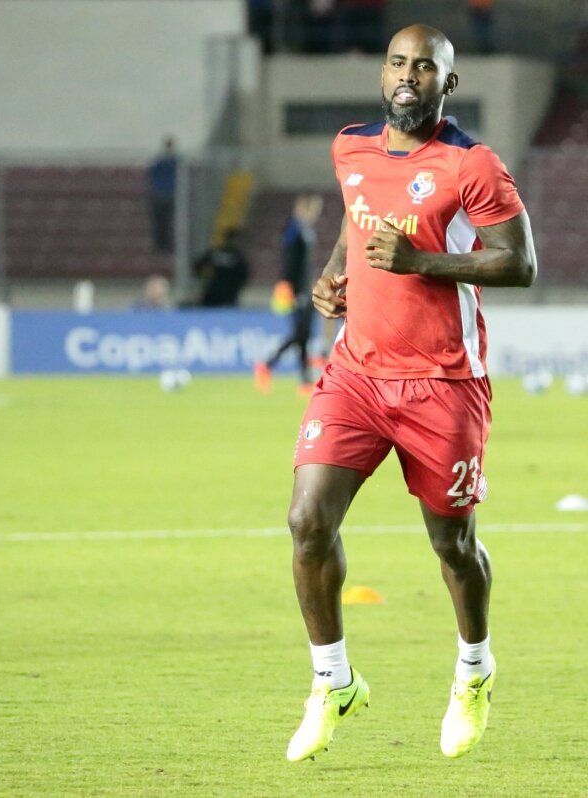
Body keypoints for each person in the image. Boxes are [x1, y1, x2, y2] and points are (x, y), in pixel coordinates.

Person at [286, 24, 537, 763]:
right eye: (398, 63)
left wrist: (421, 260)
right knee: (307, 521)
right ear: (383, 74)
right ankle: (332, 681)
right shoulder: (349, 147)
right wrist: (334, 273)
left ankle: (473, 671)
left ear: (446, 84)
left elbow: (519, 264)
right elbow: (355, 219)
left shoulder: (472, 164)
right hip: (357, 373)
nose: (408, 76)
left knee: (452, 546)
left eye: (425, 68)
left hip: (443, 383)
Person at [254, 193, 324, 394]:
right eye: (312, 209)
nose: (315, 213)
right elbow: (288, 258)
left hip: (304, 288)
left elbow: (304, 263)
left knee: (304, 335)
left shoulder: (305, 230)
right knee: (299, 333)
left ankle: (304, 380)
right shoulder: (293, 229)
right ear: (301, 207)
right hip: (294, 289)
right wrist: (286, 285)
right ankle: (267, 365)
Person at [185, 229, 249, 308]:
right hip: (229, 293)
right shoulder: (238, 257)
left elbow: (198, 266)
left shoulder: (216, 252)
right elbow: (244, 275)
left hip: (213, 289)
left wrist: (202, 277)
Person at [147, 136, 178, 253]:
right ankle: (162, 245)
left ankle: (166, 245)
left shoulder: (169, 161)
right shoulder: (162, 161)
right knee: (161, 222)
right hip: (162, 195)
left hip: (167, 195)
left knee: (167, 222)